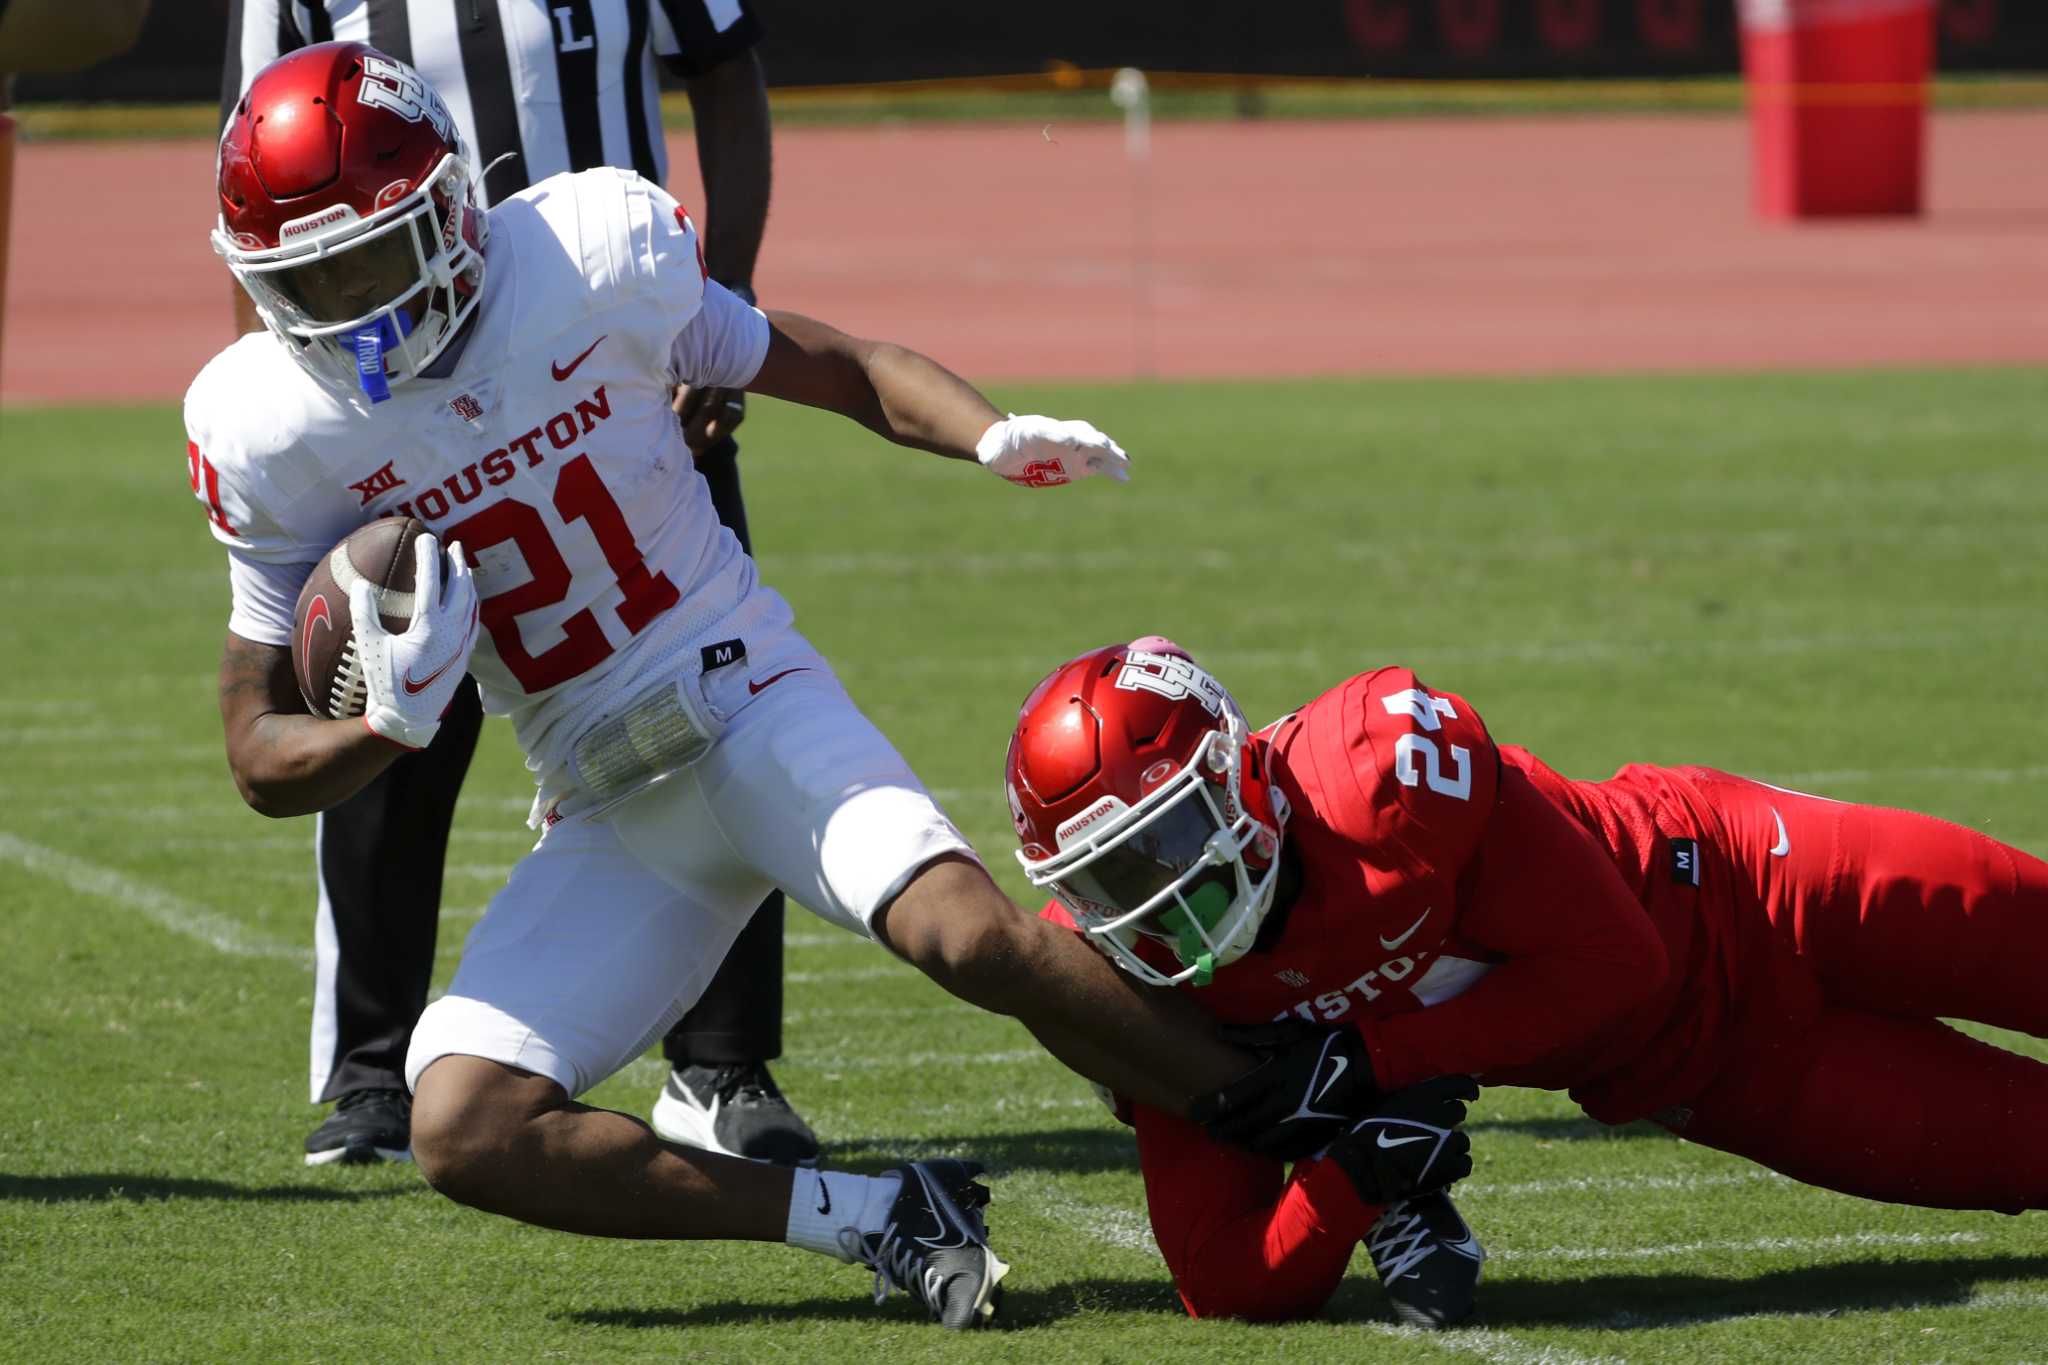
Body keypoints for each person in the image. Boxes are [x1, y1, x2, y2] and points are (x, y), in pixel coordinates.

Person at [188, 42, 1272, 1329]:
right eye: (302, 279)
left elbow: (836, 363)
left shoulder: (586, 258)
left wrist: (987, 432)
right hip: (607, 800)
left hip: (744, 693)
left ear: (446, 211)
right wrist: (386, 727)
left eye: (363, 260)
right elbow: (255, 752)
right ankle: (877, 1217)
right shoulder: (271, 427)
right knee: (464, 1126)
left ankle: (1290, 1102)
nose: (339, 307)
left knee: (966, 936)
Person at [1002, 637, 2048, 1323]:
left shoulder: (1375, 781)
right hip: (1711, 1072)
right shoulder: (1135, 978)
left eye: (1167, 836)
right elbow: (1220, 1277)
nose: (1160, 894)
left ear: (1233, 772)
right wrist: (1351, 1177)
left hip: (1754, 877)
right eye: (1110, 877)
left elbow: (1617, 959)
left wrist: (1375, 1059)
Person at [219, 0, 812, 1166]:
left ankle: (721, 1065)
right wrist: (299, 395)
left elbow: (723, 69)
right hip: (391, 382)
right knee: (379, 704)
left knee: (717, 686)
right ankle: (375, 1072)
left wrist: (724, 291)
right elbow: (252, 170)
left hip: (613, 364)